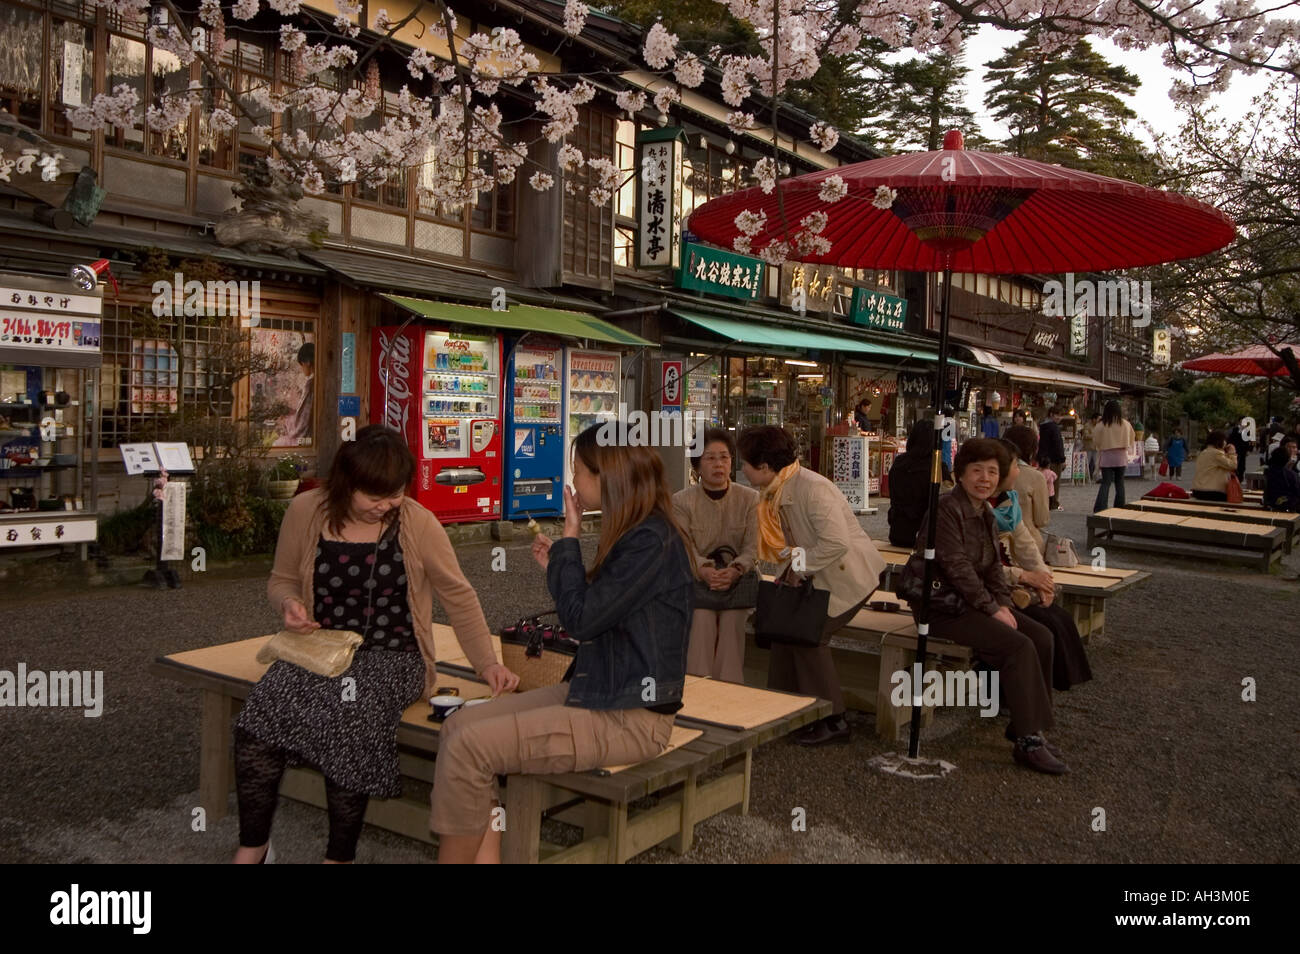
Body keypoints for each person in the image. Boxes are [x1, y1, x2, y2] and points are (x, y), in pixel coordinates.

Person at [234, 425, 518, 864]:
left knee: (351, 714)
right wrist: (289, 602)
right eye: (374, 497)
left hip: (394, 658)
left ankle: (340, 856)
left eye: (395, 494)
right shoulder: (306, 510)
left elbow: (458, 595)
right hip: (321, 652)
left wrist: (486, 664)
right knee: (258, 716)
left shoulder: (417, 523)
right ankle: (253, 849)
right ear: (347, 484)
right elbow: (282, 579)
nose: (386, 505)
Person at [431, 425, 693, 863]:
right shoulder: (640, 532)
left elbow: (582, 619)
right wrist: (561, 561)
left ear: (606, 474)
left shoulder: (650, 539)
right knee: (458, 728)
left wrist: (570, 539)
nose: (572, 482)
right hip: (600, 693)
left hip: (631, 716)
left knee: (468, 746)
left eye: (578, 471)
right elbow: (595, 607)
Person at [906, 438, 1068, 774]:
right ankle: (1027, 740)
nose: (985, 478)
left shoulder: (986, 512)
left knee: (1042, 636)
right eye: (977, 470)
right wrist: (993, 608)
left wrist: (1004, 604)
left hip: (973, 602)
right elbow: (957, 567)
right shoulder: (946, 509)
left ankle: (1025, 721)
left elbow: (994, 568)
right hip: (941, 605)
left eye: (992, 471)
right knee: (1019, 645)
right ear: (961, 475)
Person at [738, 425, 885, 746]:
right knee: (782, 631)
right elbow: (788, 543)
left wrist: (797, 569)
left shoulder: (813, 488)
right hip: (817, 578)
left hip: (849, 578)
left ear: (764, 467)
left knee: (809, 636)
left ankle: (833, 719)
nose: (741, 469)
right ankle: (787, 708)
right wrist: (790, 570)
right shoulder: (776, 489)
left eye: (745, 463)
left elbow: (836, 543)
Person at [992, 441, 1092, 691]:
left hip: (1011, 573)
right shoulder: (973, 506)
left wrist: (1044, 578)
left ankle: (1052, 685)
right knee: (1040, 627)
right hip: (993, 585)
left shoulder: (1007, 500)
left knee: (1059, 617)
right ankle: (1019, 693)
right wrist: (1024, 576)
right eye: (1016, 465)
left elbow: (1024, 542)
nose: (1019, 470)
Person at [672, 429, 759, 683]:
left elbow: (753, 547)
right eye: (710, 458)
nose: (719, 464)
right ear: (697, 465)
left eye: (724, 457)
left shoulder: (750, 499)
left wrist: (735, 570)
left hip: (738, 582)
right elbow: (682, 546)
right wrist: (703, 569)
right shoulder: (681, 501)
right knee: (701, 619)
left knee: (733, 622)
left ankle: (730, 695)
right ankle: (697, 692)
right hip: (698, 581)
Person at [887, 417, 953, 547]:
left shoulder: (899, 462)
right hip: (927, 536)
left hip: (898, 532)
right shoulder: (937, 467)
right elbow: (948, 501)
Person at [1003, 425, 1051, 552]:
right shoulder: (1035, 477)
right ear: (1032, 449)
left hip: (998, 543)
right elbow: (1042, 519)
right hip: (1029, 544)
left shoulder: (994, 472)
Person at [1092, 401, 1135, 512]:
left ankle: (1100, 508)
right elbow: (1132, 438)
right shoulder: (1125, 424)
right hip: (1121, 457)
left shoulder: (1101, 425)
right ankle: (1120, 507)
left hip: (1107, 457)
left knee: (1106, 483)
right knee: (1120, 483)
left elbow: (1096, 441)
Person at [1191, 430, 1238, 501]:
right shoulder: (1216, 454)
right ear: (1219, 441)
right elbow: (1233, 466)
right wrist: (1232, 453)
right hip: (1213, 492)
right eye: (1224, 440)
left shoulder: (1203, 452)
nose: (1225, 443)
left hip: (1198, 490)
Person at [285, 341, 314, 444]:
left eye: (301, 365)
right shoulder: (316, 382)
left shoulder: (311, 384)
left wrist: (286, 420)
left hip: (309, 439)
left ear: (307, 362)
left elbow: (301, 424)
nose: (302, 369)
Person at [1037, 407, 1066, 509]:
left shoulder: (1042, 426)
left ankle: (1044, 502)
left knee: (1044, 482)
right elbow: (1058, 445)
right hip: (1054, 459)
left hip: (1043, 459)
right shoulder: (1054, 427)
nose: (1059, 417)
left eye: (1060, 415)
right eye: (1057, 415)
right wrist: (1062, 459)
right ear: (1051, 415)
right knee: (1054, 482)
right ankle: (1053, 503)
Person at [1263, 446, 1300, 511]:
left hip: (1272, 503)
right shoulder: (1292, 474)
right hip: (1290, 505)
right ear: (1287, 459)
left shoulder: (1268, 472)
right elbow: (1297, 492)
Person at [1082, 413, 1101, 482]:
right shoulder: (1087, 425)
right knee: (1087, 463)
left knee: (1097, 463)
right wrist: (1094, 435)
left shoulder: (1099, 426)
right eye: (1098, 419)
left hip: (1096, 448)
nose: (1099, 421)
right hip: (1089, 447)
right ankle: (1085, 478)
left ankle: (1096, 478)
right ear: (1094, 419)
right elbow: (1086, 435)